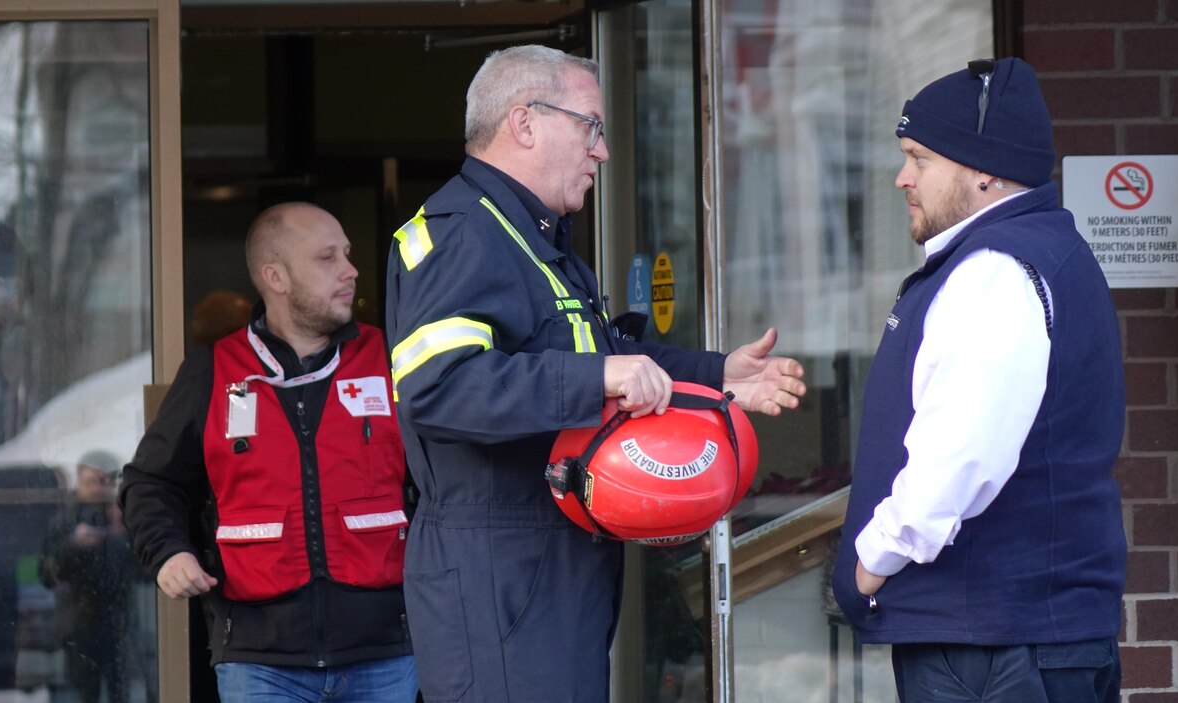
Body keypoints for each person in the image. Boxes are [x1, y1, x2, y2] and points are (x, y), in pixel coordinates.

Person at [385, 44, 807, 703]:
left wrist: (719, 376)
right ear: (524, 123)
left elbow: (607, 358)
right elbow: (440, 390)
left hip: (548, 568)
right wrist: (597, 379)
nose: (602, 150)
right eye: (591, 124)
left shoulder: (536, 238)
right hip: (498, 571)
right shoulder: (462, 235)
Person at [832, 58, 1125, 702]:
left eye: (920, 158)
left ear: (985, 170)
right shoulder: (1043, 251)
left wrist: (870, 565)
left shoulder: (995, 270)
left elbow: (958, 459)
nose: (901, 177)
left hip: (994, 647)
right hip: (1021, 639)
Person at [119, 202, 417, 703]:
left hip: (384, 654)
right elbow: (150, 483)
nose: (351, 271)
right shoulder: (214, 372)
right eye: (328, 258)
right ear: (275, 276)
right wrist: (168, 551)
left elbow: (443, 478)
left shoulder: (390, 360)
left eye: (346, 254)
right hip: (259, 663)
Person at [40, 449, 138, 703]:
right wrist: (73, 544)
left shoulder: (122, 516)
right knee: (83, 692)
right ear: (79, 483)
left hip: (121, 625)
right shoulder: (65, 520)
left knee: (121, 692)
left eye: (103, 482)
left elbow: (142, 571)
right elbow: (47, 574)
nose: (97, 489)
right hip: (79, 626)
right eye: (91, 482)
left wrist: (123, 534)